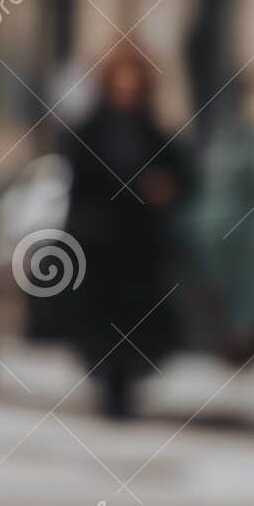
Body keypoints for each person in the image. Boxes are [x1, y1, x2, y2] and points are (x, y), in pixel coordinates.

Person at [58, 47, 190, 418]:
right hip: (100, 247)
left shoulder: (152, 132)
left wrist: (167, 188)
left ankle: (126, 383)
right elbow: (79, 185)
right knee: (101, 324)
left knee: (140, 322)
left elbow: (181, 175)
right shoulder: (88, 132)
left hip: (140, 250)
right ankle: (110, 384)